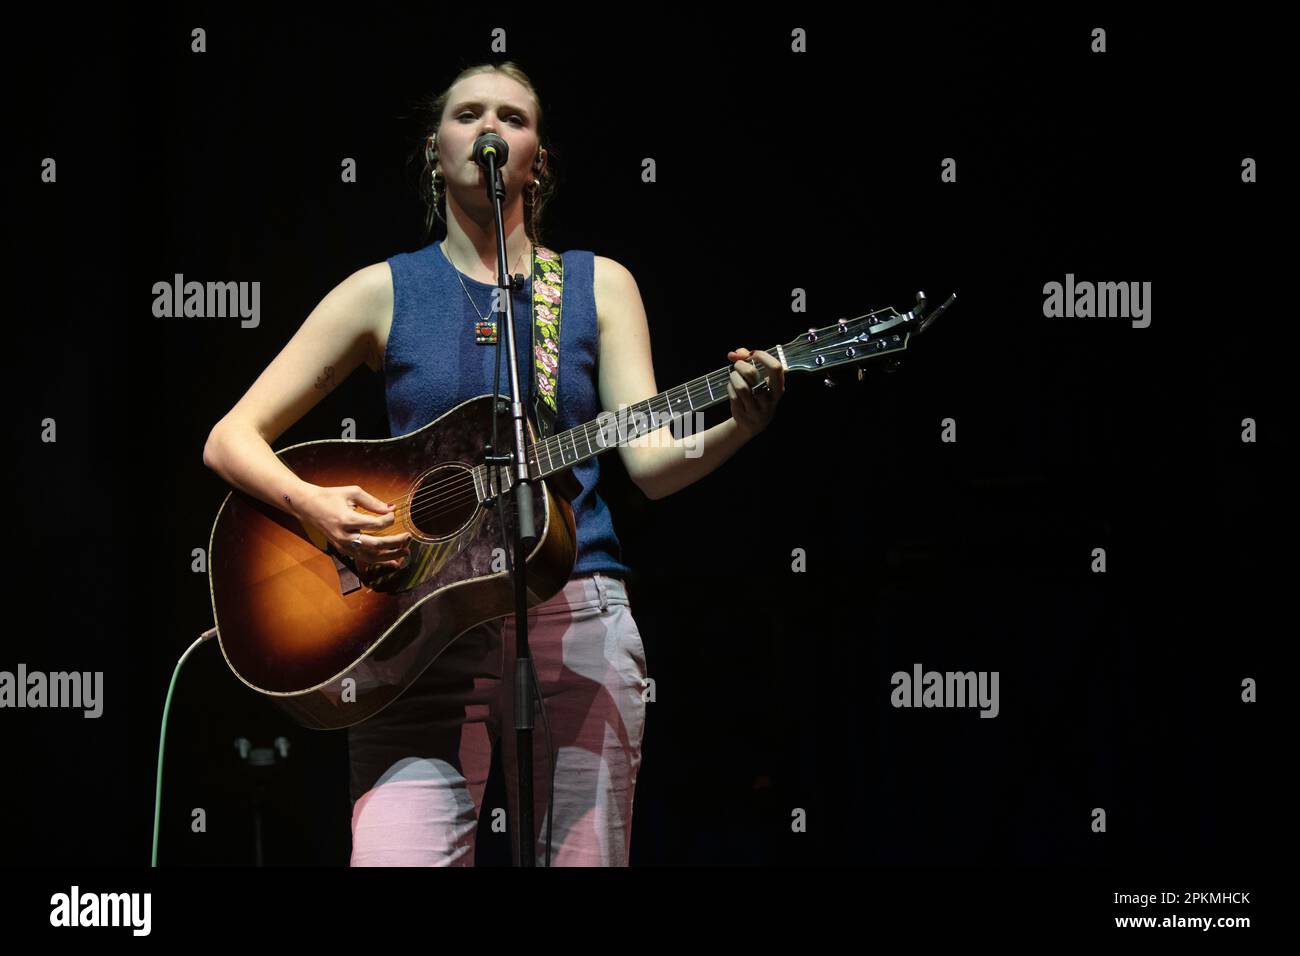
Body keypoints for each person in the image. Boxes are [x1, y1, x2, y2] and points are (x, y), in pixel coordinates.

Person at [201, 61, 785, 866]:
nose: (489, 128)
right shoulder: (383, 291)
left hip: (574, 614)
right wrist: (315, 508)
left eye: (512, 117)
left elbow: (648, 461)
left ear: (536, 156)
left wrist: (738, 427)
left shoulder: (595, 285)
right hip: (412, 624)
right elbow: (229, 438)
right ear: (436, 151)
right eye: (467, 113)